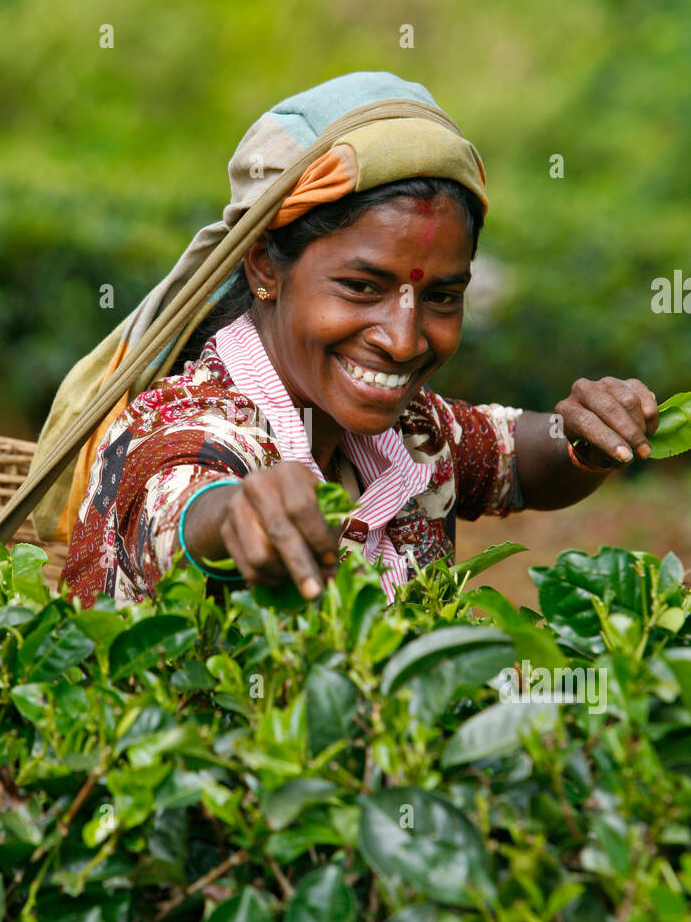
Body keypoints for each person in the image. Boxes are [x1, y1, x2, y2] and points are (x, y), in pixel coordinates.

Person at [57, 72, 659, 609]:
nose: (403, 341)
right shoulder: (177, 430)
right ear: (265, 265)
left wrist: (584, 436)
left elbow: (519, 461)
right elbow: (185, 505)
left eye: (442, 297)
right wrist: (241, 511)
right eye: (361, 287)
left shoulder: (409, 435)